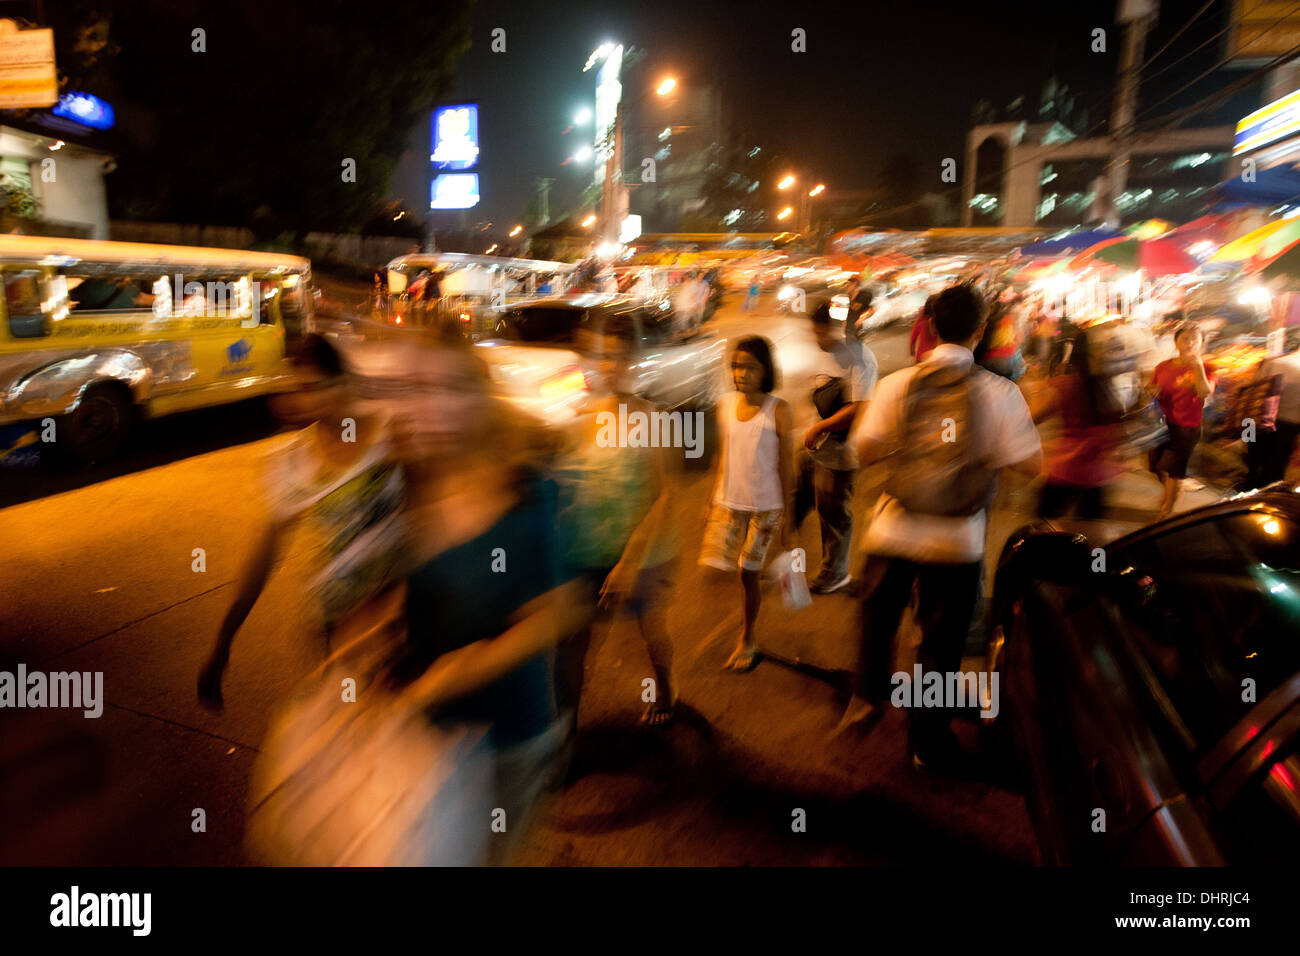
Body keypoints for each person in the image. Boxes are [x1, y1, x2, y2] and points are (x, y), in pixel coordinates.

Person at [382, 331, 587, 860]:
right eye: (412, 387)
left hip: (509, 740)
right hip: (427, 737)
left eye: (445, 387)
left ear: (477, 399)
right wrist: (367, 634)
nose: (424, 406)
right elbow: (410, 588)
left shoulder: (523, 487)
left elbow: (560, 611)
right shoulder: (411, 478)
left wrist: (461, 670)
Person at [838, 284, 1042, 776]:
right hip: (957, 541)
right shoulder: (1000, 392)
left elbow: (861, 452)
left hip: (891, 532)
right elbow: (1031, 465)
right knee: (940, 646)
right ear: (981, 330)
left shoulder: (897, 384)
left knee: (878, 621)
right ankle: (927, 743)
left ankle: (868, 694)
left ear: (927, 327)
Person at [197, 335, 406, 711]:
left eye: (313, 386)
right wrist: (224, 641)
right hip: (332, 624)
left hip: (401, 617)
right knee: (349, 728)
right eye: (295, 388)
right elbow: (263, 553)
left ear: (344, 382)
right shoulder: (292, 461)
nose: (300, 399)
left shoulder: (391, 435)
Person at [552, 314, 683, 726]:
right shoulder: (576, 417)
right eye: (601, 357)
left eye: (618, 357)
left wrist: (629, 563)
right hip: (586, 551)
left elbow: (663, 495)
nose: (609, 366)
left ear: (632, 361)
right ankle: (564, 733)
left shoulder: (649, 417)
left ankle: (665, 688)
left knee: (649, 630)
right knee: (574, 643)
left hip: (640, 554)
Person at [700, 336, 796, 672]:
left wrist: (789, 520)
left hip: (766, 507)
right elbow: (721, 454)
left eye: (750, 367)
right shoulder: (725, 405)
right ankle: (756, 607)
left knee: (746, 572)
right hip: (728, 503)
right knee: (717, 567)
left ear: (766, 369)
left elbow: (787, 466)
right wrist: (710, 499)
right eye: (736, 366)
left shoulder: (778, 410)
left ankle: (748, 637)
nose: (741, 373)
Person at [796, 300, 877, 593]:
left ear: (836, 328)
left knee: (833, 514)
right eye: (814, 331)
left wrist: (820, 427)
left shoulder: (859, 357)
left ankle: (836, 573)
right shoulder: (825, 354)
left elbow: (859, 408)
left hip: (841, 454)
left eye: (822, 332)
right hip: (813, 448)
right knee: (800, 503)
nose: (817, 339)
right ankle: (785, 557)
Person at [1029, 327, 1126, 520]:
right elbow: (1119, 436)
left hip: (1066, 471)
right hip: (1100, 477)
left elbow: (1031, 418)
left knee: (1042, 530)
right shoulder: (1111, 389)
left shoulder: (1065, 385)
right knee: (1089, 537)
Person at [1148, 324, 1216, 519]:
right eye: (1185, 338)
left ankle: (1166, 512)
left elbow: (1205, 392)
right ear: (1176, 342)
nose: (1190, 343)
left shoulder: (1207, 367)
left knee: (1176, 470)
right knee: (1154, 465)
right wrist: (1152, 390)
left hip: (1188, 426)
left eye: (1195, 338)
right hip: (1163, 423)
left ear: (1202, 342)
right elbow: (1152, 387)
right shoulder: (1163, 366)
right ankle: (1175, 488)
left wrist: (1197, 366)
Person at [1248, 334, 1300, 486]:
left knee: (1253, 465)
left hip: (1256, 421)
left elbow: (1252, 388)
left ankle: (1243, 497)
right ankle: (1261, 502)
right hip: (1287, 426)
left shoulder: (1272, 361)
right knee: (1274, 472)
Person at [908, 294, 940, 363]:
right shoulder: (940, 320)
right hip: (937, 354)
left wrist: (912, 350)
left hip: (922, 356)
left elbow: (913, 337)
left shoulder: (921, 320)